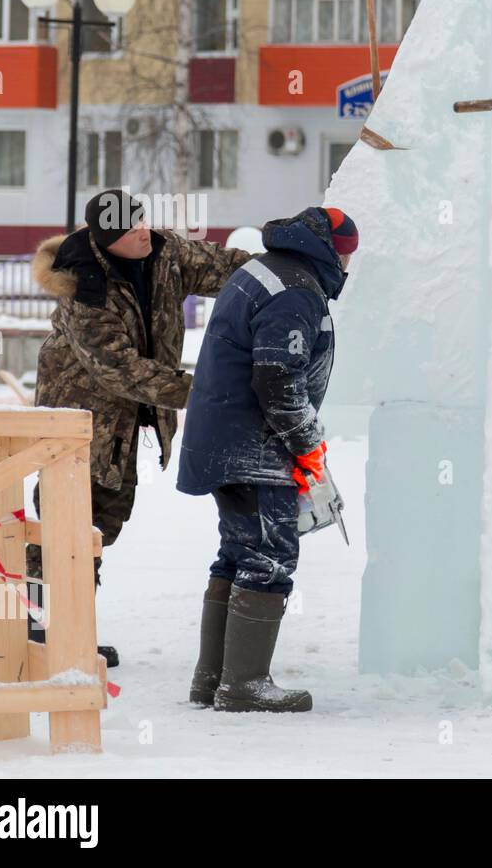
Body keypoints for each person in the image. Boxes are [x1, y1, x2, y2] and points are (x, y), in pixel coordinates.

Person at [31, 189, 252, 666]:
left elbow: (223, 266)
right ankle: (38, 631)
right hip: (76, 423)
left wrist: (282, 271)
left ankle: (64, 629)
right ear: (106, 242)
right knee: (63, 526)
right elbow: (121, 370)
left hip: (122, 421)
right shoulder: (84, 289)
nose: (142, 232)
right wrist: (209, 393)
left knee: (102, 523)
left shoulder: (164, 251)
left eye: (142, 221)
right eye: (129, 231)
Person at [177, 205, 357, 712]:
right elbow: (277, 377)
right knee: (268, 557)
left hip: (226, 439)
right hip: (253, 447)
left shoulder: (263, 270)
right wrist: (306, 443)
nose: (347, 267)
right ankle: (243, 684)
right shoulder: (295, 289)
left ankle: (212, 679)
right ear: (332, 251)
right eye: (347, 257)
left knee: (237, 552)